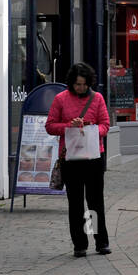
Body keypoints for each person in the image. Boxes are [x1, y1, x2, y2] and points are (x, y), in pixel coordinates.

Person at [46, 63, 111, 257]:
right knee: (75, 203)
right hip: (70, 159)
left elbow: (105, 125)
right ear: (71, 83)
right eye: (77, 84)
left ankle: (100, 241)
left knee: (95, 202)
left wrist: (91, 130)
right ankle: (80, 244)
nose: (80, 88)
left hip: (93, 157)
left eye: (83, 84)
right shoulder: (61, 99)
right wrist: (69, 126)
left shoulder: (97, 98)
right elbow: (50, 126)